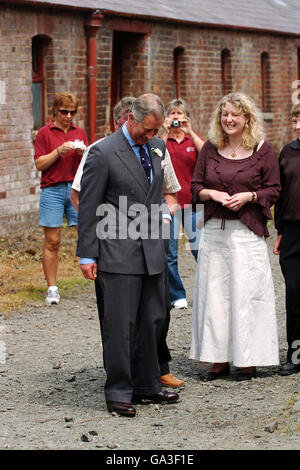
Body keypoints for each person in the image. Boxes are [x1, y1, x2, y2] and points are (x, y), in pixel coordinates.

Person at [76, 93, 179, 417]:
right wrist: (87, 255)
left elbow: (161, 195)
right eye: (147, 130)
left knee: (152, 320)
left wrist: (163, 219)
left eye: (156, 131)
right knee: (121, 325)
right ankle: (119, 391)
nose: (151, 137)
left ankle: (147, 385)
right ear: (129, 118)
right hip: (116, 252)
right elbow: (88, 207)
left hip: (152, 250)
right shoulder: (102, 153)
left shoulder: (157, 148)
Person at [190, 92, 280, 381]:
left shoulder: (262, 150)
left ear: (247, 119)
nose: (229, 119)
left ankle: (247, 360)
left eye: (235, 115)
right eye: (225, 114)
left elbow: (274, 189)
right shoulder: (210, 149)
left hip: (247, 232)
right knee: (215, 296)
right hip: (215, 232)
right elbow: (195, 187)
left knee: (246, 295)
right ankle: (217, 361)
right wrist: (212, 193)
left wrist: (250, 196)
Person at [34, 92, 88, 306]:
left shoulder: (80, 132)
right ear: (55, 111)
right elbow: (39, 164)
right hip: (53, 189)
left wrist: (83, 154)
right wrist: (58, 151)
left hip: (76, 189)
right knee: (53, 241)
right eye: (64, 111)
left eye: (72, 112)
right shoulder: (44, 133)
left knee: (87, 234)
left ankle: (98, 278)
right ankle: (52, 288)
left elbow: (90, 164)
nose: (68, 116)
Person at [159, 98, 204, 309]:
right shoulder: (162, 141)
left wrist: (191, 131)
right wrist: (163, 132)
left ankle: (207, 291)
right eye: (172, 113)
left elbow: (208, 156)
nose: (176, 117)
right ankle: (177, 295)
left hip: (193, 204)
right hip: (169, 205)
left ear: (186, 117)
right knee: (170, 253)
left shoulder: (191, 141)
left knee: (200, 250)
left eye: (179, 113)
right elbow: (152, 154)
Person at [274, 103, 300, 376]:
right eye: (295, 119)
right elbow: (280, 197)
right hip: (292, 233)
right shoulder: (287, 152)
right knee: (294, 293)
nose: (298, 126)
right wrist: (280, 231)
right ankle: (295, 354)